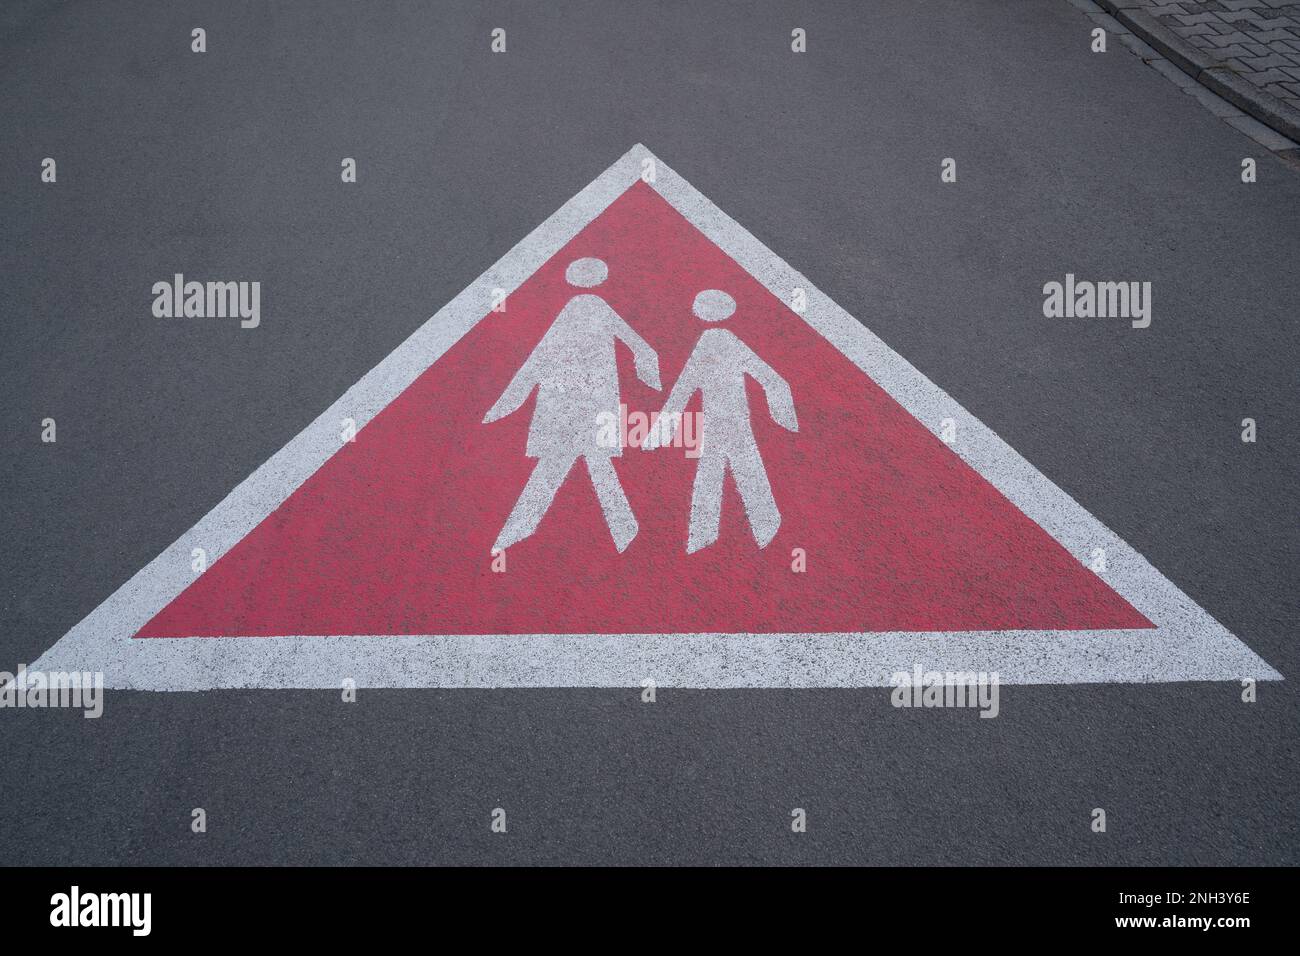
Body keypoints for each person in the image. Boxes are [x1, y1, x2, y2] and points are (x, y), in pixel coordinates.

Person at [483, 257, 660, 553]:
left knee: (566, 459)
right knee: (584, 459)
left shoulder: (579, 309)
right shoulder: (595, 309)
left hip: (564, 400)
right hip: (592, 398)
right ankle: (622, 528)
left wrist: (513, 397)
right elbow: (639, 346)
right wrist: (649, 375)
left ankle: (619, 528)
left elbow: (539, 357)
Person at [643, 289, 797, 554]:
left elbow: (684, 389)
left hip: (720, 420)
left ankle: (709, 534)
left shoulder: (711, 343)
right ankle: (759, 526)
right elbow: (772, 380)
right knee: (735, 467)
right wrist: (783, 415)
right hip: (733, 419)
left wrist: (661, 431)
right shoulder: (728, 342)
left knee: (716, 469)